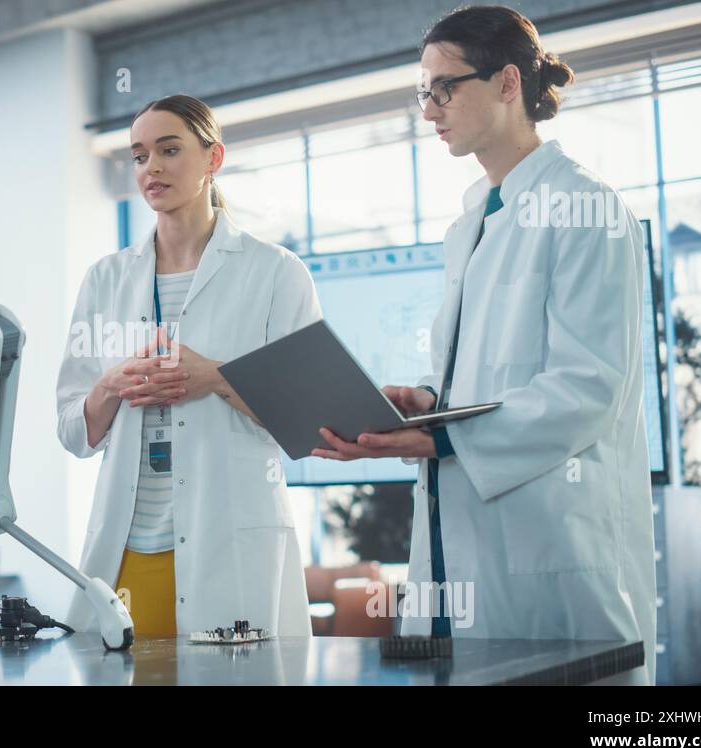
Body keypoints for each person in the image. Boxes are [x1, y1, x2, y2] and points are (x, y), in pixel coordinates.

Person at [311, 6, 657, 684]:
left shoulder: (585, 208)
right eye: (423, 92)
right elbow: (486, 378)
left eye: (445, 87)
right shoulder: (471, 223)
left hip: (549, 556)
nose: (429, 108)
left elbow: (587, 387)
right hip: (453, 548)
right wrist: (426, 404)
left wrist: (441, 437)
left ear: (506, 84)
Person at [58, 95, 322, 638]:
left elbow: (309, 419)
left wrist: (216, 376)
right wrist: (112, 384)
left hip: (230, 540)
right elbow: (72, 431)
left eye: (169, 149)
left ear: (213, 159)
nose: (151, 167)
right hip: (129, 546)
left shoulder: (276, 272)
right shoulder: (105, 279)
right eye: (138, 156)